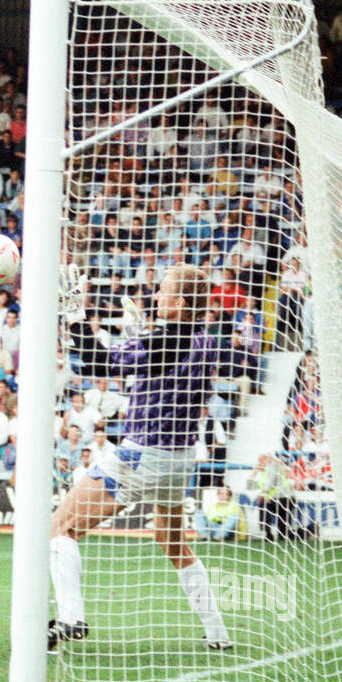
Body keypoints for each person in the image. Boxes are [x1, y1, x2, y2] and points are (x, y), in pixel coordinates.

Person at [49, 262, 232, 652]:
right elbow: (159, 366)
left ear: (180, 302)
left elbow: (101, 364)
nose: (155, 295)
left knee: (60, 526)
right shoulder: (205, 339)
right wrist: (137, 333)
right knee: (172, 542)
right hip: (181, 459)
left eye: (163, 290)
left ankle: (70, 617)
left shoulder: (165, 339)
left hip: (143, 454)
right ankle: (217, 631)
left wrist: (74, 314)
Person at [249, 452, 300, 542]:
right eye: (259, 461)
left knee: (284, 533)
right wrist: (254, 474)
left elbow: (271, 481)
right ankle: (267, 533)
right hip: (274, 500)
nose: (259, 463)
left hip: (285, 498)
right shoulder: (263, 474)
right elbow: (250, 487)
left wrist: (263, 493)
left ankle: (310, 530)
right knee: (262, 506)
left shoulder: (274, 466)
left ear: (267, 460)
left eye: (261, 460)